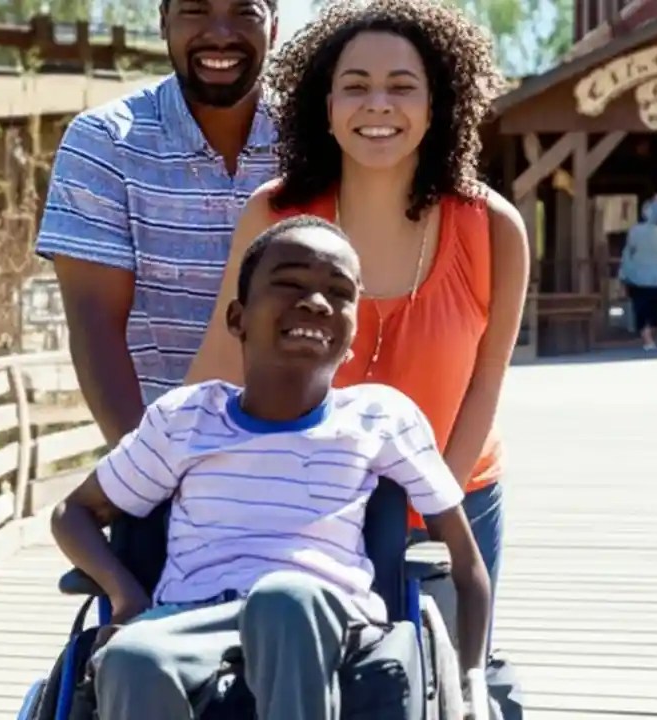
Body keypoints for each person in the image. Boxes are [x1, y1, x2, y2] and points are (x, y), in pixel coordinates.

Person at [183, 0, 528, 658]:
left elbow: (486, 387)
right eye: (355, 87)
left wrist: (431, 510)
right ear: (325, 103)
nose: (378, 106)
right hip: (300, 499)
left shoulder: (494, 228)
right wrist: (153, 477)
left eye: (402, 87)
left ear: (438, 103)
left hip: (454, 497)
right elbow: (221, 365)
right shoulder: (274, 214)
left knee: (446, 678)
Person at [51, 216, 492, 720]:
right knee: (132, 657)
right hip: (193, 618)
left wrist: (472, 677)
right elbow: (72, 513)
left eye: (339, 292)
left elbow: (466, 561)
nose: (316, 302)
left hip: (323, 615)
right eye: (288, 283)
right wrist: (125, 596)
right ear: (237, 318)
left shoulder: (380, 417)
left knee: (282, 597)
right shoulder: (185, 418)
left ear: (351, 335)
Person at [33, 0, 280, 447]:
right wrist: (149, 474)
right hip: (162, 458)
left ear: (275, 28)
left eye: (245, 12)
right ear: (164, 22)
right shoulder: (103, 144)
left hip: (309, 467)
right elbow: (96, 330)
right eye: (195, 11)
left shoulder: (317, 141)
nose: (220, 33)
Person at [619, 194, 657, 350]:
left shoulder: (634, 231)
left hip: (640, 278)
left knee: (642, 311)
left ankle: (649, 342)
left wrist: (623, 274)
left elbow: (628, 253)